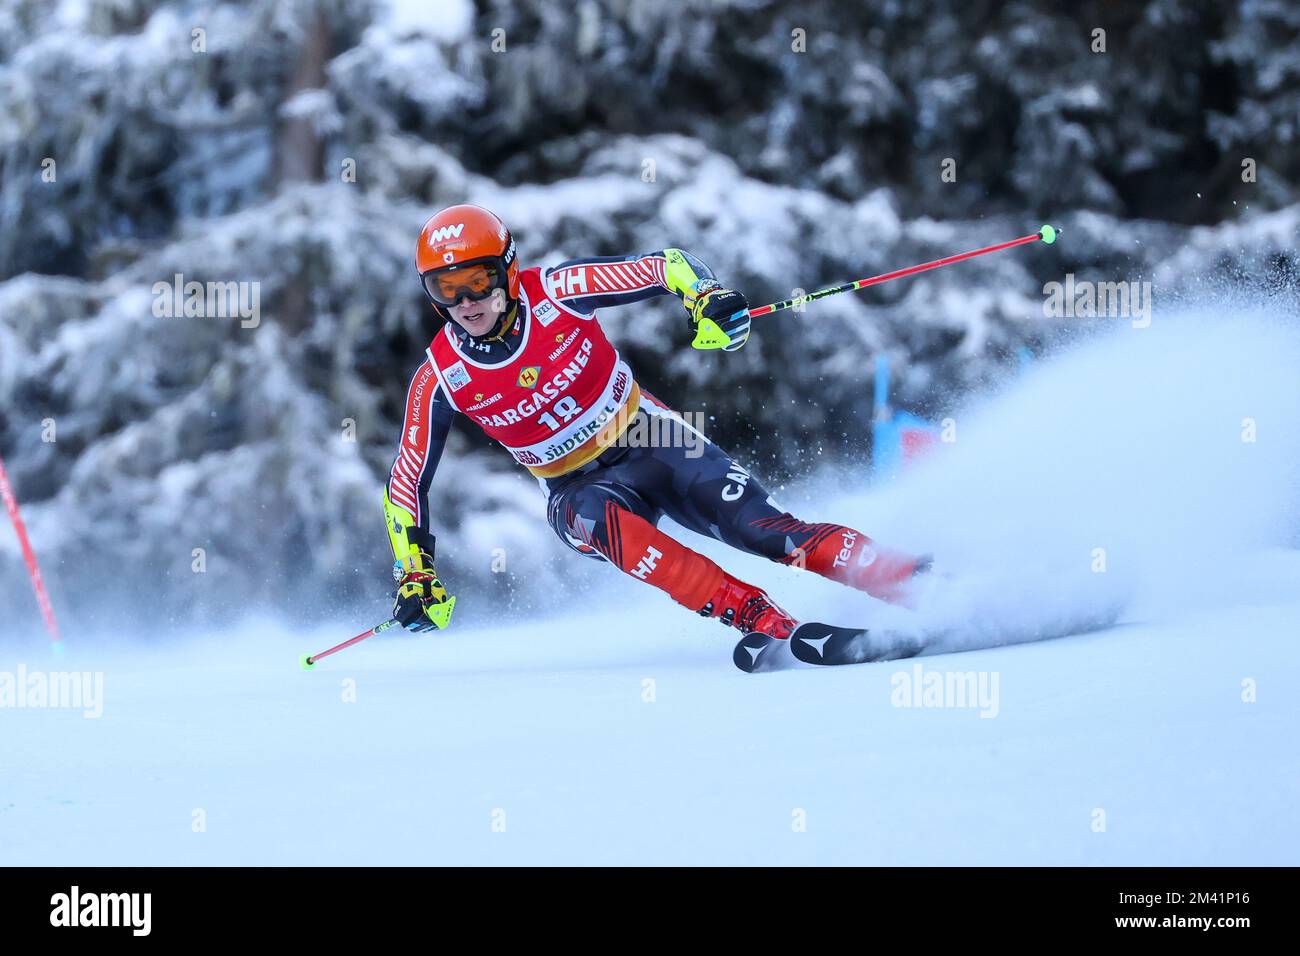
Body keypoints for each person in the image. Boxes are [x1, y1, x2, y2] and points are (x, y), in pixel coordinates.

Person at [384, 203, 930, 651]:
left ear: (506, 270)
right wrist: (415, 573)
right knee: (608, 523)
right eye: (444, 288)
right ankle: (762, 622)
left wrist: (706, 297)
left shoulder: (558, 289)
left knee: (765, 532)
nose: (465, 302)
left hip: (650, 435)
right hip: (574, 488)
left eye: (477, 281)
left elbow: (662, 266)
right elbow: (407, 480)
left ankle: (915, 584)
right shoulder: (441, 376)